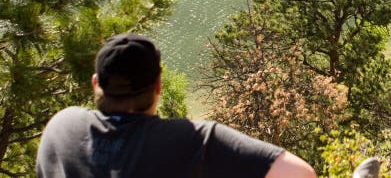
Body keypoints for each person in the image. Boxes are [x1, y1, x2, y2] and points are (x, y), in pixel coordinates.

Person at [36, 33, 316, 178]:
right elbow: (300, 174)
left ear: (96, 83)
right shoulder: (194, 140)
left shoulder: (62, 127)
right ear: (158, 86)